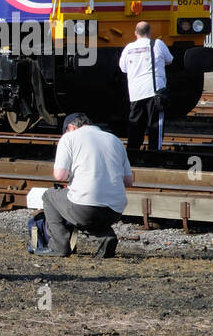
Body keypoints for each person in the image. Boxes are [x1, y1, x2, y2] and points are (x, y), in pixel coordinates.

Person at [40, 112, 134, 258]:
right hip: (115, 211)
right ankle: (106, 237)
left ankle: (59, 246)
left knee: (49, 196)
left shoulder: (69, 138)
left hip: (85, 208)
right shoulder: (115, 140)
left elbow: (60, 176)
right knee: (87, 209)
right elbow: (129, 181)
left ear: (70, 127)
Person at [117, 20, 173, 152]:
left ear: (135, 33)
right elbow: (170, 60)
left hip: (136, 93)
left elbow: (123, 68)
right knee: (155, 125)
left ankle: (133, 151)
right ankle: (154, 152)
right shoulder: (157, 44)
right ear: (150, 32)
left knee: (136, 124)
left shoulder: (128, 48)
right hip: (154, 92)